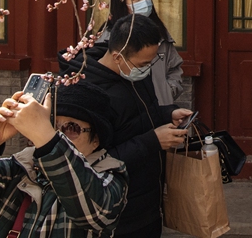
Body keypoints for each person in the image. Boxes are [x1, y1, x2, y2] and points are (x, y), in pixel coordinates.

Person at [59, 14, 193, 238]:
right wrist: (152, 141)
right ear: (117, 56)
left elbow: (141, 116)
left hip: (148, 203)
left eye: (151, 62)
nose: (147, 68)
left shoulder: (135, 73)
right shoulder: (84, 94)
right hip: (116, 212)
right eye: (143, 64)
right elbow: (87, 162)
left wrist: (167, 114)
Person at [0, 81, 128, 238]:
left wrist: (48, 140)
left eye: (72, 128)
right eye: (52, 126)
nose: (60, 135)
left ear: (96, 139)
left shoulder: (110, 176)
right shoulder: (24, 165)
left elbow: (95, 214)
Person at [97, 0, 185, 106]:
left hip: (161, 110)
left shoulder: (160, 35)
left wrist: (168, 91)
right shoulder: (110, 39)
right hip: (127, 112)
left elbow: (174, 68)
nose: (144, 2)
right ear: (122, 4)